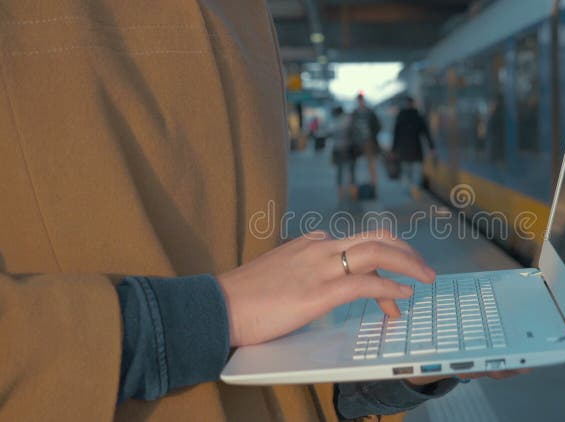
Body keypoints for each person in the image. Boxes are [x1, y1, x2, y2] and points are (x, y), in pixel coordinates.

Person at [0, 2, 527, 421]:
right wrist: (216, 311)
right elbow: (238, 312)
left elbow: (259, 328)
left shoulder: (244, 13)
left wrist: (388, 373)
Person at [391, 96, 435, 199]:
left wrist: (394, 149)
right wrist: (432, 147)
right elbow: (426, 133)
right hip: (416, 149)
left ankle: (408, 192)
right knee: (416, 172)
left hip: (403, 150)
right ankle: (415, 190)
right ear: (413, 104)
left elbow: (395, 134)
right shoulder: (418, 116)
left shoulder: (400, 117)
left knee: (406, 171)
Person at [348, 94, 381, 189]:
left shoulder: (370, 112)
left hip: (368, 142)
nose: (360, 102)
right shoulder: (354, 113)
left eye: (361, 100)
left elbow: (378, 126)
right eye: (359, 100)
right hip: (356, 143)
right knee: (354, 165)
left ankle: (373, 185)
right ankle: (354, 187)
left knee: (371, 165)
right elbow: (350, 127)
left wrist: (372, 136)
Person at [329, 106, 356, 200]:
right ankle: (352, 192)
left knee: (339, 171)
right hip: (349, 148)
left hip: (337, 149)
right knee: (351, 171)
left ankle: (340, 193)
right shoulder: (349, 120)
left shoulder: (334, 121)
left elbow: (330, 134)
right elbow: (353, 133)